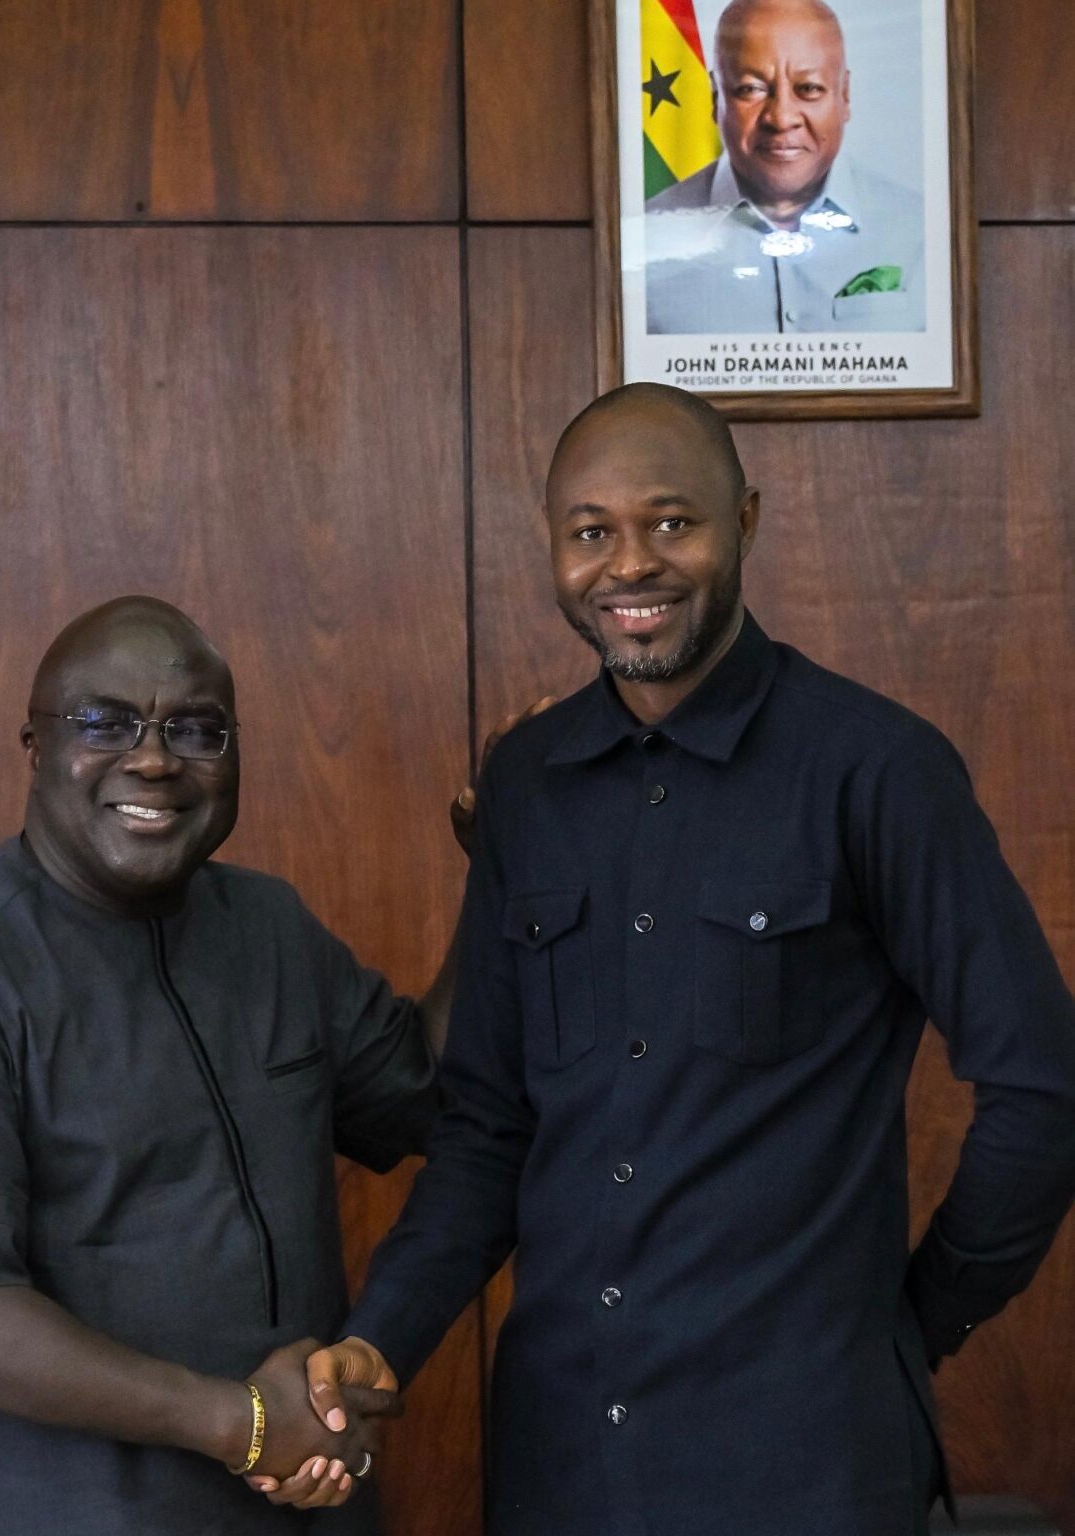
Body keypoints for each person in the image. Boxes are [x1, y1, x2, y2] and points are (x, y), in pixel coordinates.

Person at [299, 384, 1075, 1536]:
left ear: (744, 523)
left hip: (804, 1464)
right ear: (554, 547)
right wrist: (379, 1339)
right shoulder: (527, 786)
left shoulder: (875, 769)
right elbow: (486, 1129)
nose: (629, 565)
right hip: (562, 1465)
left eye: (672, 523)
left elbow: (1041, 1091)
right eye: (590, 531)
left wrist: (903, 1322)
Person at [0, 596, 470, 1536]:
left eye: (198, 729)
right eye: (105, 723)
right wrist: (241, 1425)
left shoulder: (271, 931)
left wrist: (501, 873)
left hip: (292, 1511)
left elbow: (429, 1092)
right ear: (35, 746)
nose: (156, 758)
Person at [645, 0, 926, 334]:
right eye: (751, 89)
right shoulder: (646, 241)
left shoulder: (920, 231)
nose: (781, 118)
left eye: (808, 89)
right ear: (715, 98)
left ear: (845, 96)